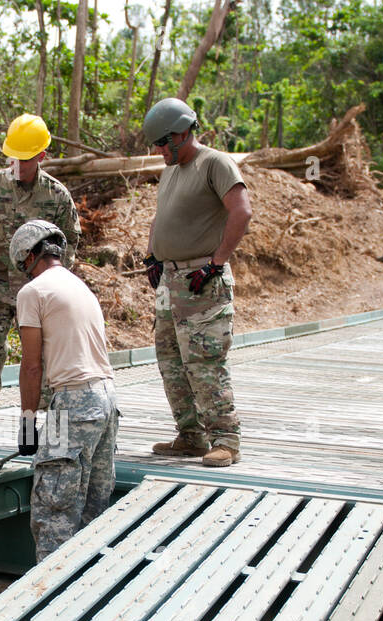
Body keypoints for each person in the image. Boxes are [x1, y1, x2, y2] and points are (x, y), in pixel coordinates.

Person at [141, 97, 252, 467]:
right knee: (171, 360)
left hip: (202, 281)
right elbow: (162, 217)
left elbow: (241, 211)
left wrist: (217, 261)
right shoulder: (171, 170)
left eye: (161, 143)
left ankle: (225, 439)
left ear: (182, 134)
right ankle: (190, 435)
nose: (158, 150)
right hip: (170, 281)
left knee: (204, 361)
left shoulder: (215, 163)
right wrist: (152, 255)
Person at [0, 113, 81, 441]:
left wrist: (55, 288)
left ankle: (46, 425)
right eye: (13, 157)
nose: (17, 165)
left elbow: (68, 245)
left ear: (41, 157)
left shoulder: (56, 196)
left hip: (39, 293)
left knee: (44, 358)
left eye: (25, 159)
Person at [11, 220, 119, 561]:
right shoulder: (80, 286)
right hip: (107, 399)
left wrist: (28, 424)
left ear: (30, 256)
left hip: (71, 403)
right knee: (93, 507)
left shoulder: (34, 292)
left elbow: (31, 366)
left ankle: (49, 600)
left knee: (52, 507)